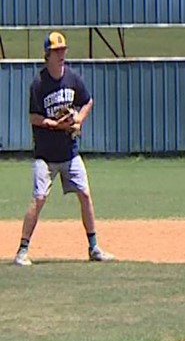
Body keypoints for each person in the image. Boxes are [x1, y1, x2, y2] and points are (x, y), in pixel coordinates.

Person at [14, 32, 114, 266]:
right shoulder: (39, 84)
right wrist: (55, 124)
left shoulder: (73, 78)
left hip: (70, 152)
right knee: (39, 198)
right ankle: (22, 250)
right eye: (57, 51)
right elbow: (34, 117)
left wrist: (79, 119)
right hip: (45, 156)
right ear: (47, 55)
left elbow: (88, 100)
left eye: (63, 50)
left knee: (85, 195)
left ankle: (94, 247)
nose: (61, 55)